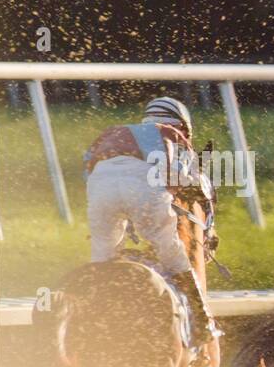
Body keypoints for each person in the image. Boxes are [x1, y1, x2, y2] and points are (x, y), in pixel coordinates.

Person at [84, 96, 219, 344]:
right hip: (141, 190)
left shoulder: (119, 134)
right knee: (173, 255)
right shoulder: (173, 137)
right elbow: (182, 181)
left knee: (102, 257)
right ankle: (204, 322)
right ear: (183, 127)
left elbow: (88, 166)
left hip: (99, 185)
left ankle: (90, 317)